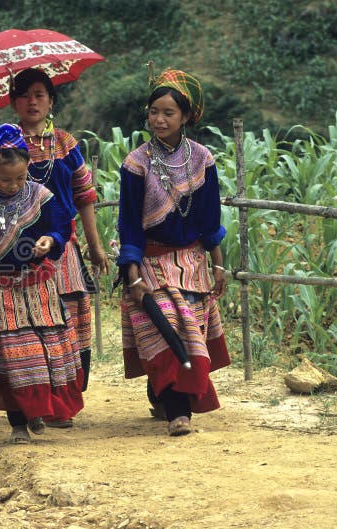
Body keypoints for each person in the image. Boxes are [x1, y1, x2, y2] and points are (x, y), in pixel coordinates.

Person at [116, 69, 231, 436]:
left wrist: (218, 266)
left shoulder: (202, 160)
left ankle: (163, 395)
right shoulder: (136, 163)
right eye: (154, 112)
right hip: (150, 260)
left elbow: (211, 219)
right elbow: (129, 223)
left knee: (186, 331)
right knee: (165, 324)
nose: (159, 119)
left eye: (168, 112)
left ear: (186, 116)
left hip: (192, 261)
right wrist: (132, 274)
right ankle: (179, 413)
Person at [0, 123, 84, 444]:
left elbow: (62, 227)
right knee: (12, 358)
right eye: (4, 179)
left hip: (39, 288)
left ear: (28, 168)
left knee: (40, 355)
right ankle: (17, 424)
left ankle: (36, 411)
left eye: (20, 178)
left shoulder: (42, 197)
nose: (13, 185)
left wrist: (49, 240)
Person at [8, 68, 110, 426]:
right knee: (27, 324)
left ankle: (61, 403)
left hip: (63, 248)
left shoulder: (66, 144)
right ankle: (32, 402)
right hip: (18, 252)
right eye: (23, 95)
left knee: (66, 322)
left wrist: (95, 246)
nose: (31, 102)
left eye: (39, 94)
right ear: (13, 102)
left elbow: (84, 197)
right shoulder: (3, 142)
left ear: (51, 101)